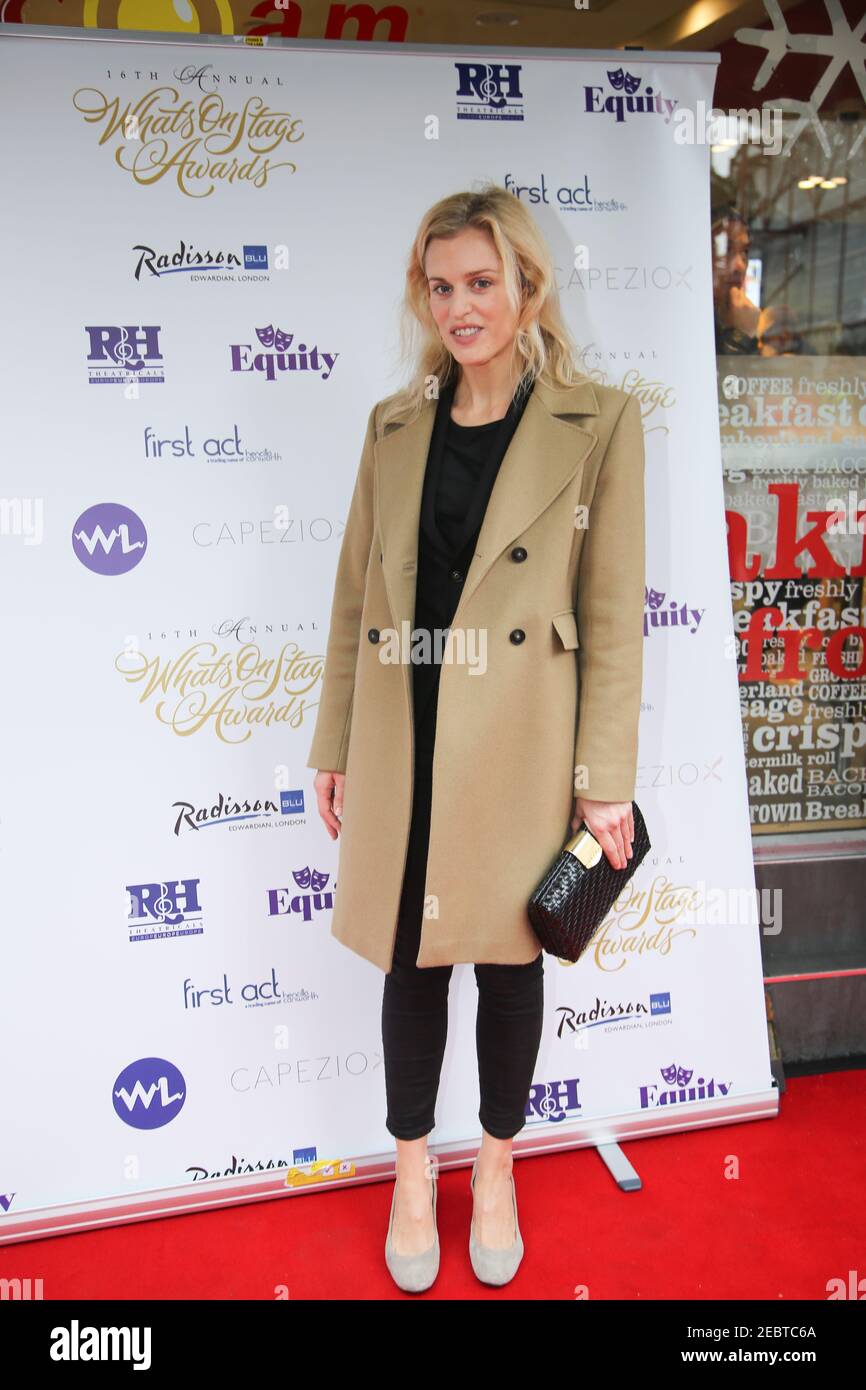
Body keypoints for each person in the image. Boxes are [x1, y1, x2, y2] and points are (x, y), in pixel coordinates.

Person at [307, 184, 646, 1292]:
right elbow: (355, 592)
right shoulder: (392, 424)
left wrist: (604, 783)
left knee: (507, 967)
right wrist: (334, 743)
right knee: (409, 960)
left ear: (525, 286)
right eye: (441, 286)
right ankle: (414, 1173)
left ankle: (493, 1169)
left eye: (481, 283)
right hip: (405, 736)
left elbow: (609, 613)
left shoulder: (597, 422)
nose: (460, 306)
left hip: (520, 741)